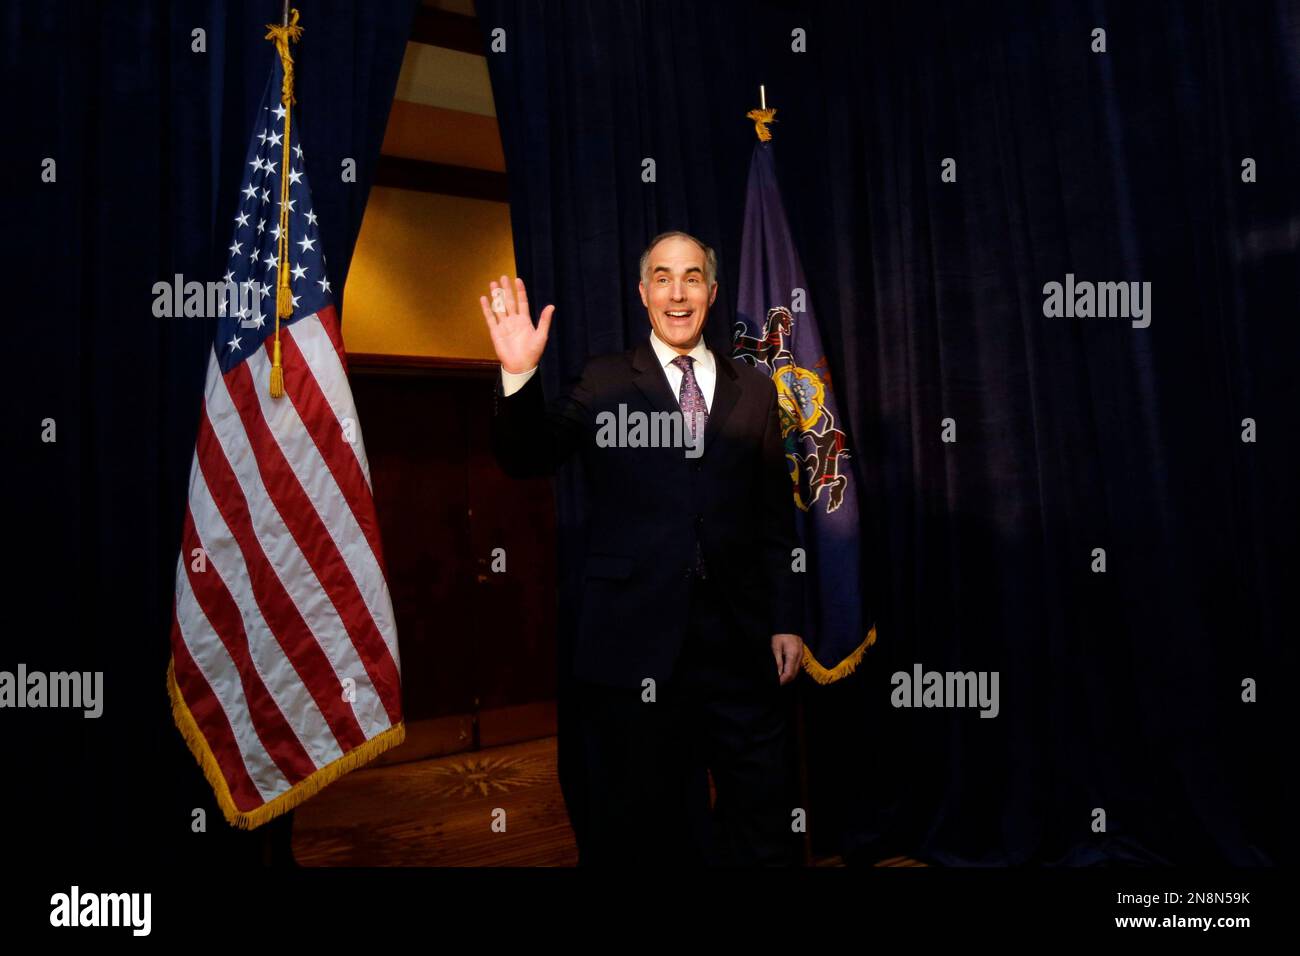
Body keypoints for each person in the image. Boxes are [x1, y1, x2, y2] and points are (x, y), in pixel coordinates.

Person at [481, 231, 805, 866]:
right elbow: (528, 457)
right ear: (642, 292)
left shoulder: (758, 390)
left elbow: (774, 521)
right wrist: (518, 373)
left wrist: (785, 619)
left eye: (691, 278)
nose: (677, 293)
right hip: (636, 642)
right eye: (662, 277)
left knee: (763, 810)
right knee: (645, 818)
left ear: (712, 293)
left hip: (737, 639)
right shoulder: (604, 381)